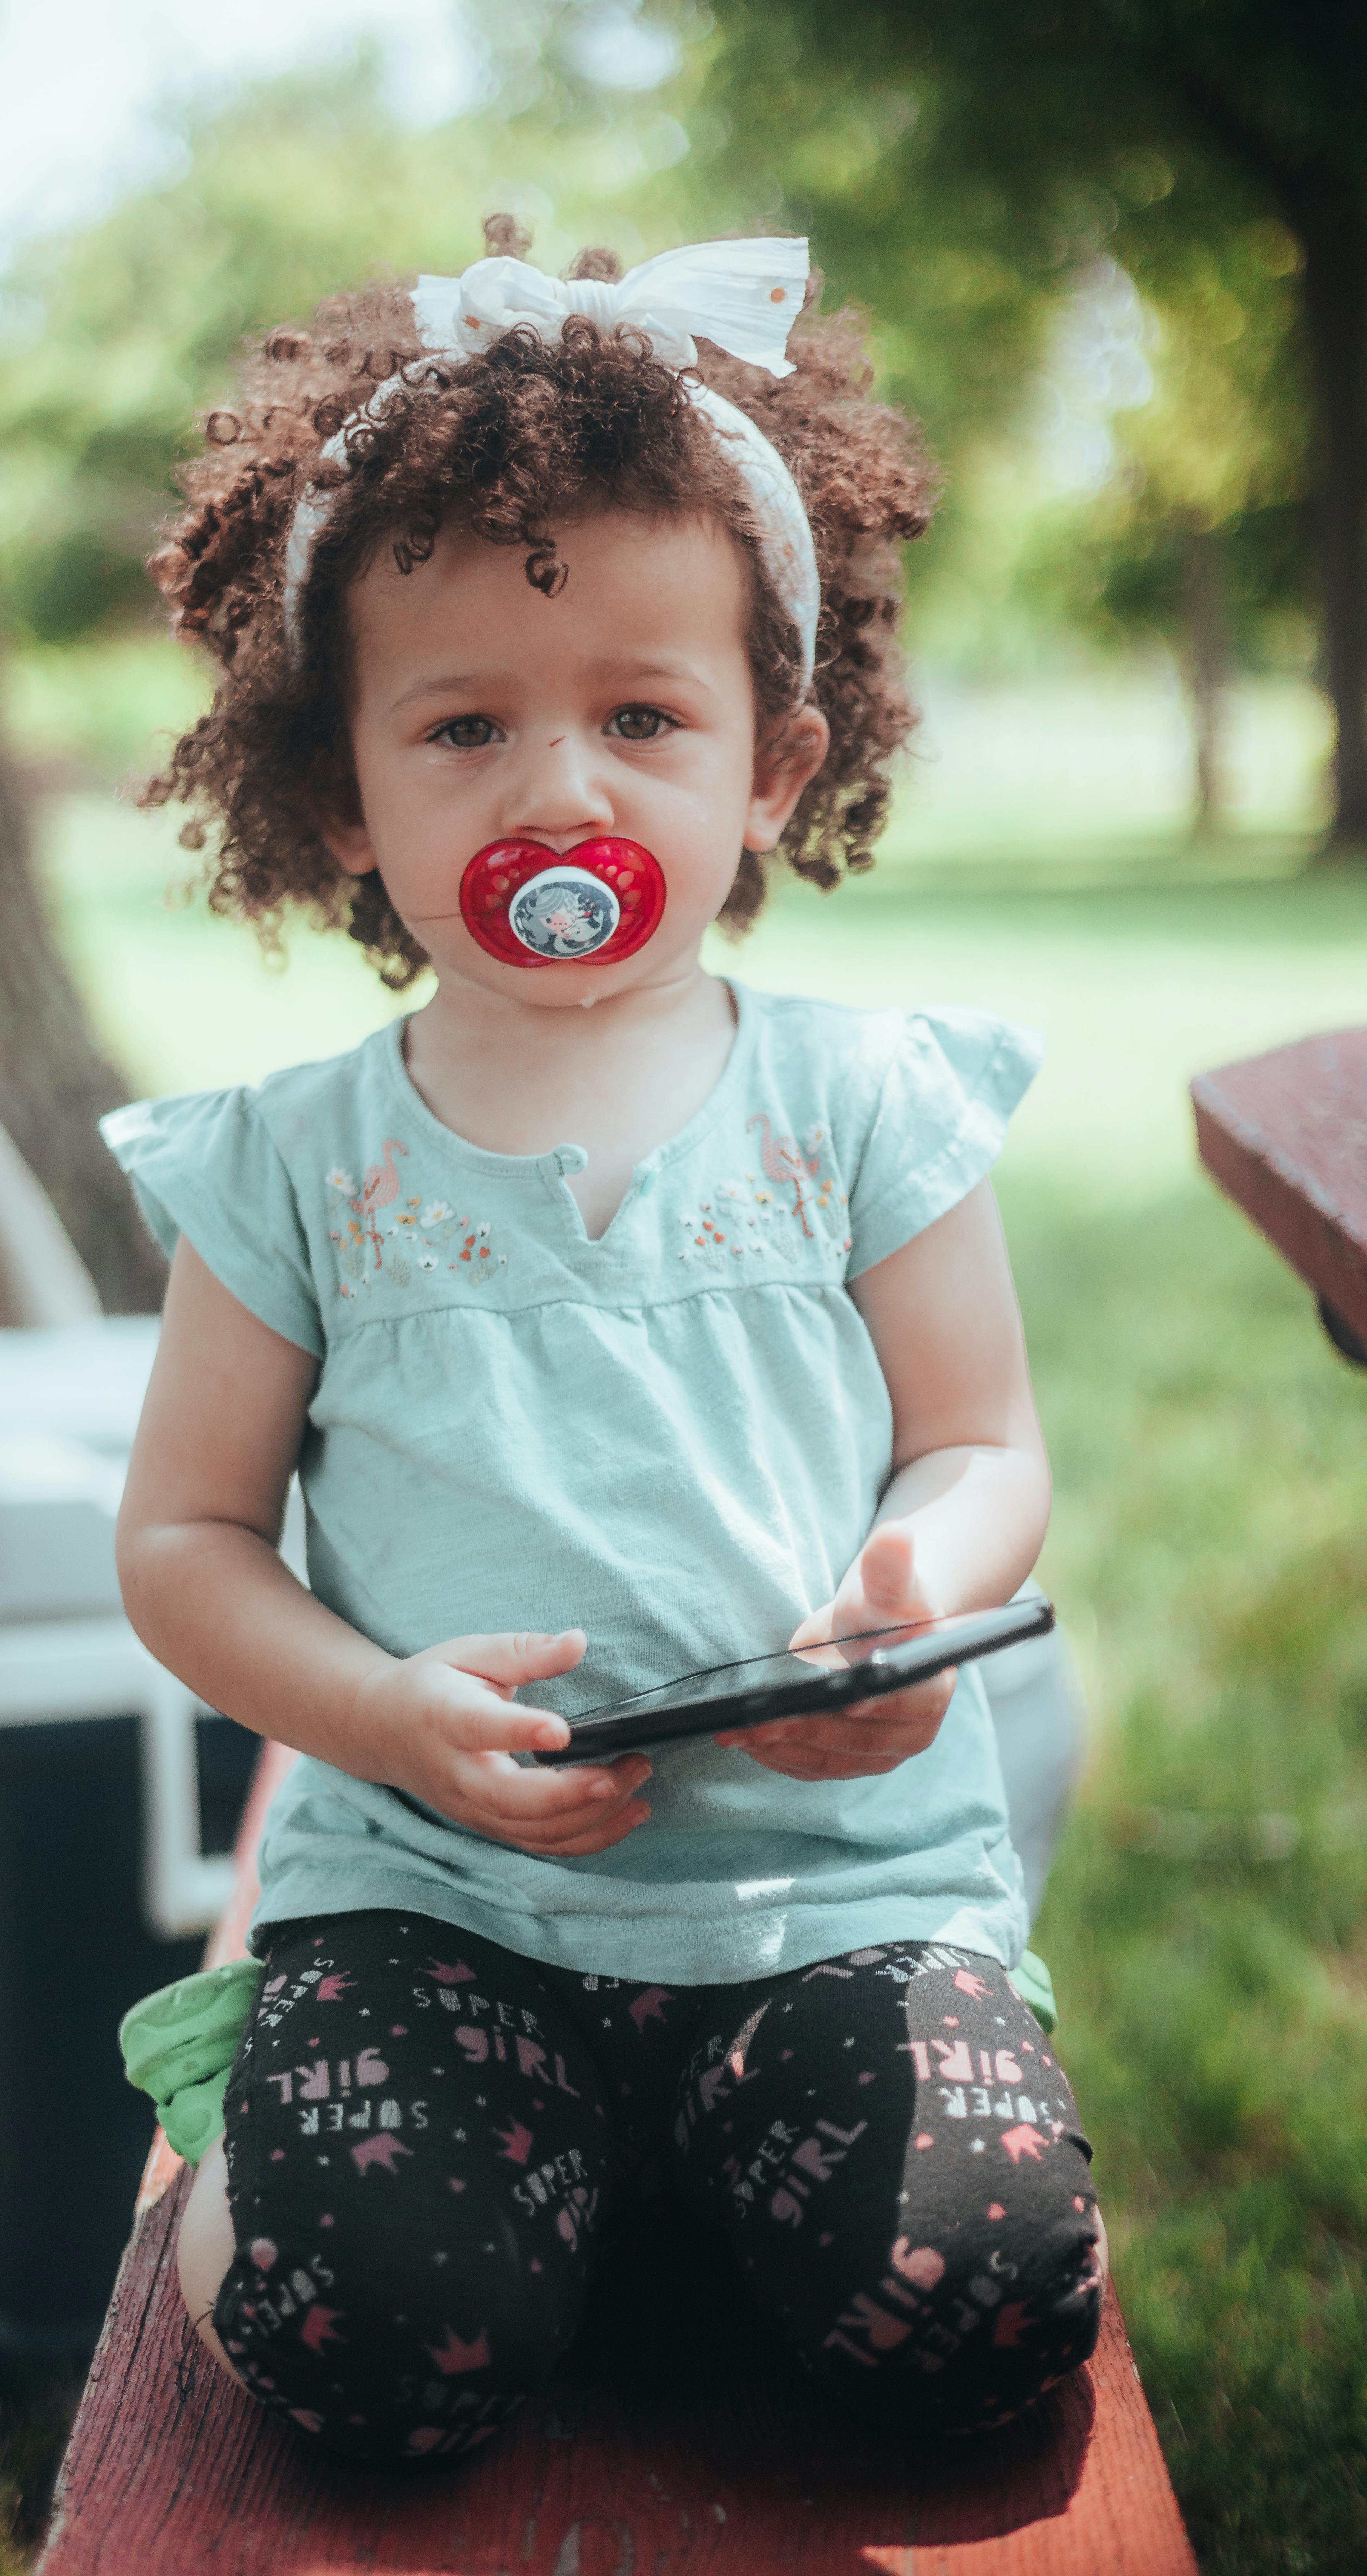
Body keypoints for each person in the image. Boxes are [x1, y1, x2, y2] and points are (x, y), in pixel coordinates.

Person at [108, 223, 1105, 2468]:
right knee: (359, 2348)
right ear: (346, 801)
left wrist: (912, 1607)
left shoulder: (867, 1104)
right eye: (465, 728)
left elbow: (983, 1447)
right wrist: (380, 1713)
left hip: (829, 1903)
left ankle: (670, 2197)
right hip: (446, 1907)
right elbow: (182, 1540)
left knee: (990, 2300)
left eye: (644, 718)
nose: (561, 795)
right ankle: (328, 2177)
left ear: (773, 767)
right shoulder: (291, 1164)